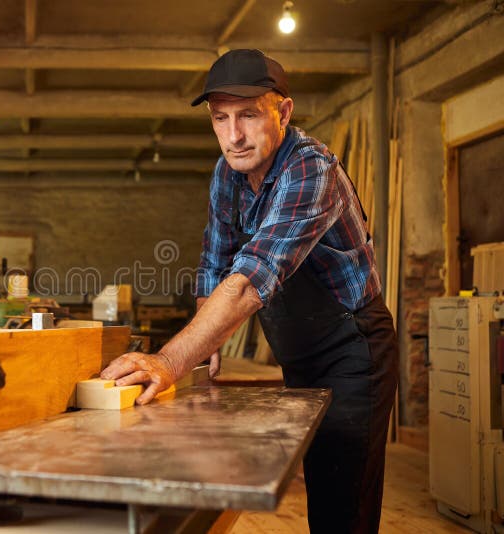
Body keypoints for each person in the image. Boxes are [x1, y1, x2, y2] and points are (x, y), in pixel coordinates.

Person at [101, 49, 398, 534]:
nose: (233, 136)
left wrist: (169, 360)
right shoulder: (228, 174)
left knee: (340, 503)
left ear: (282, 112)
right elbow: (215, 263)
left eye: (248, 116)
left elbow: (251, 279)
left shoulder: (311, 170)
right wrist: (205, 346)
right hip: (298, 353)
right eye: (220, 119)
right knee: (315, 483)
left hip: (353, 351)